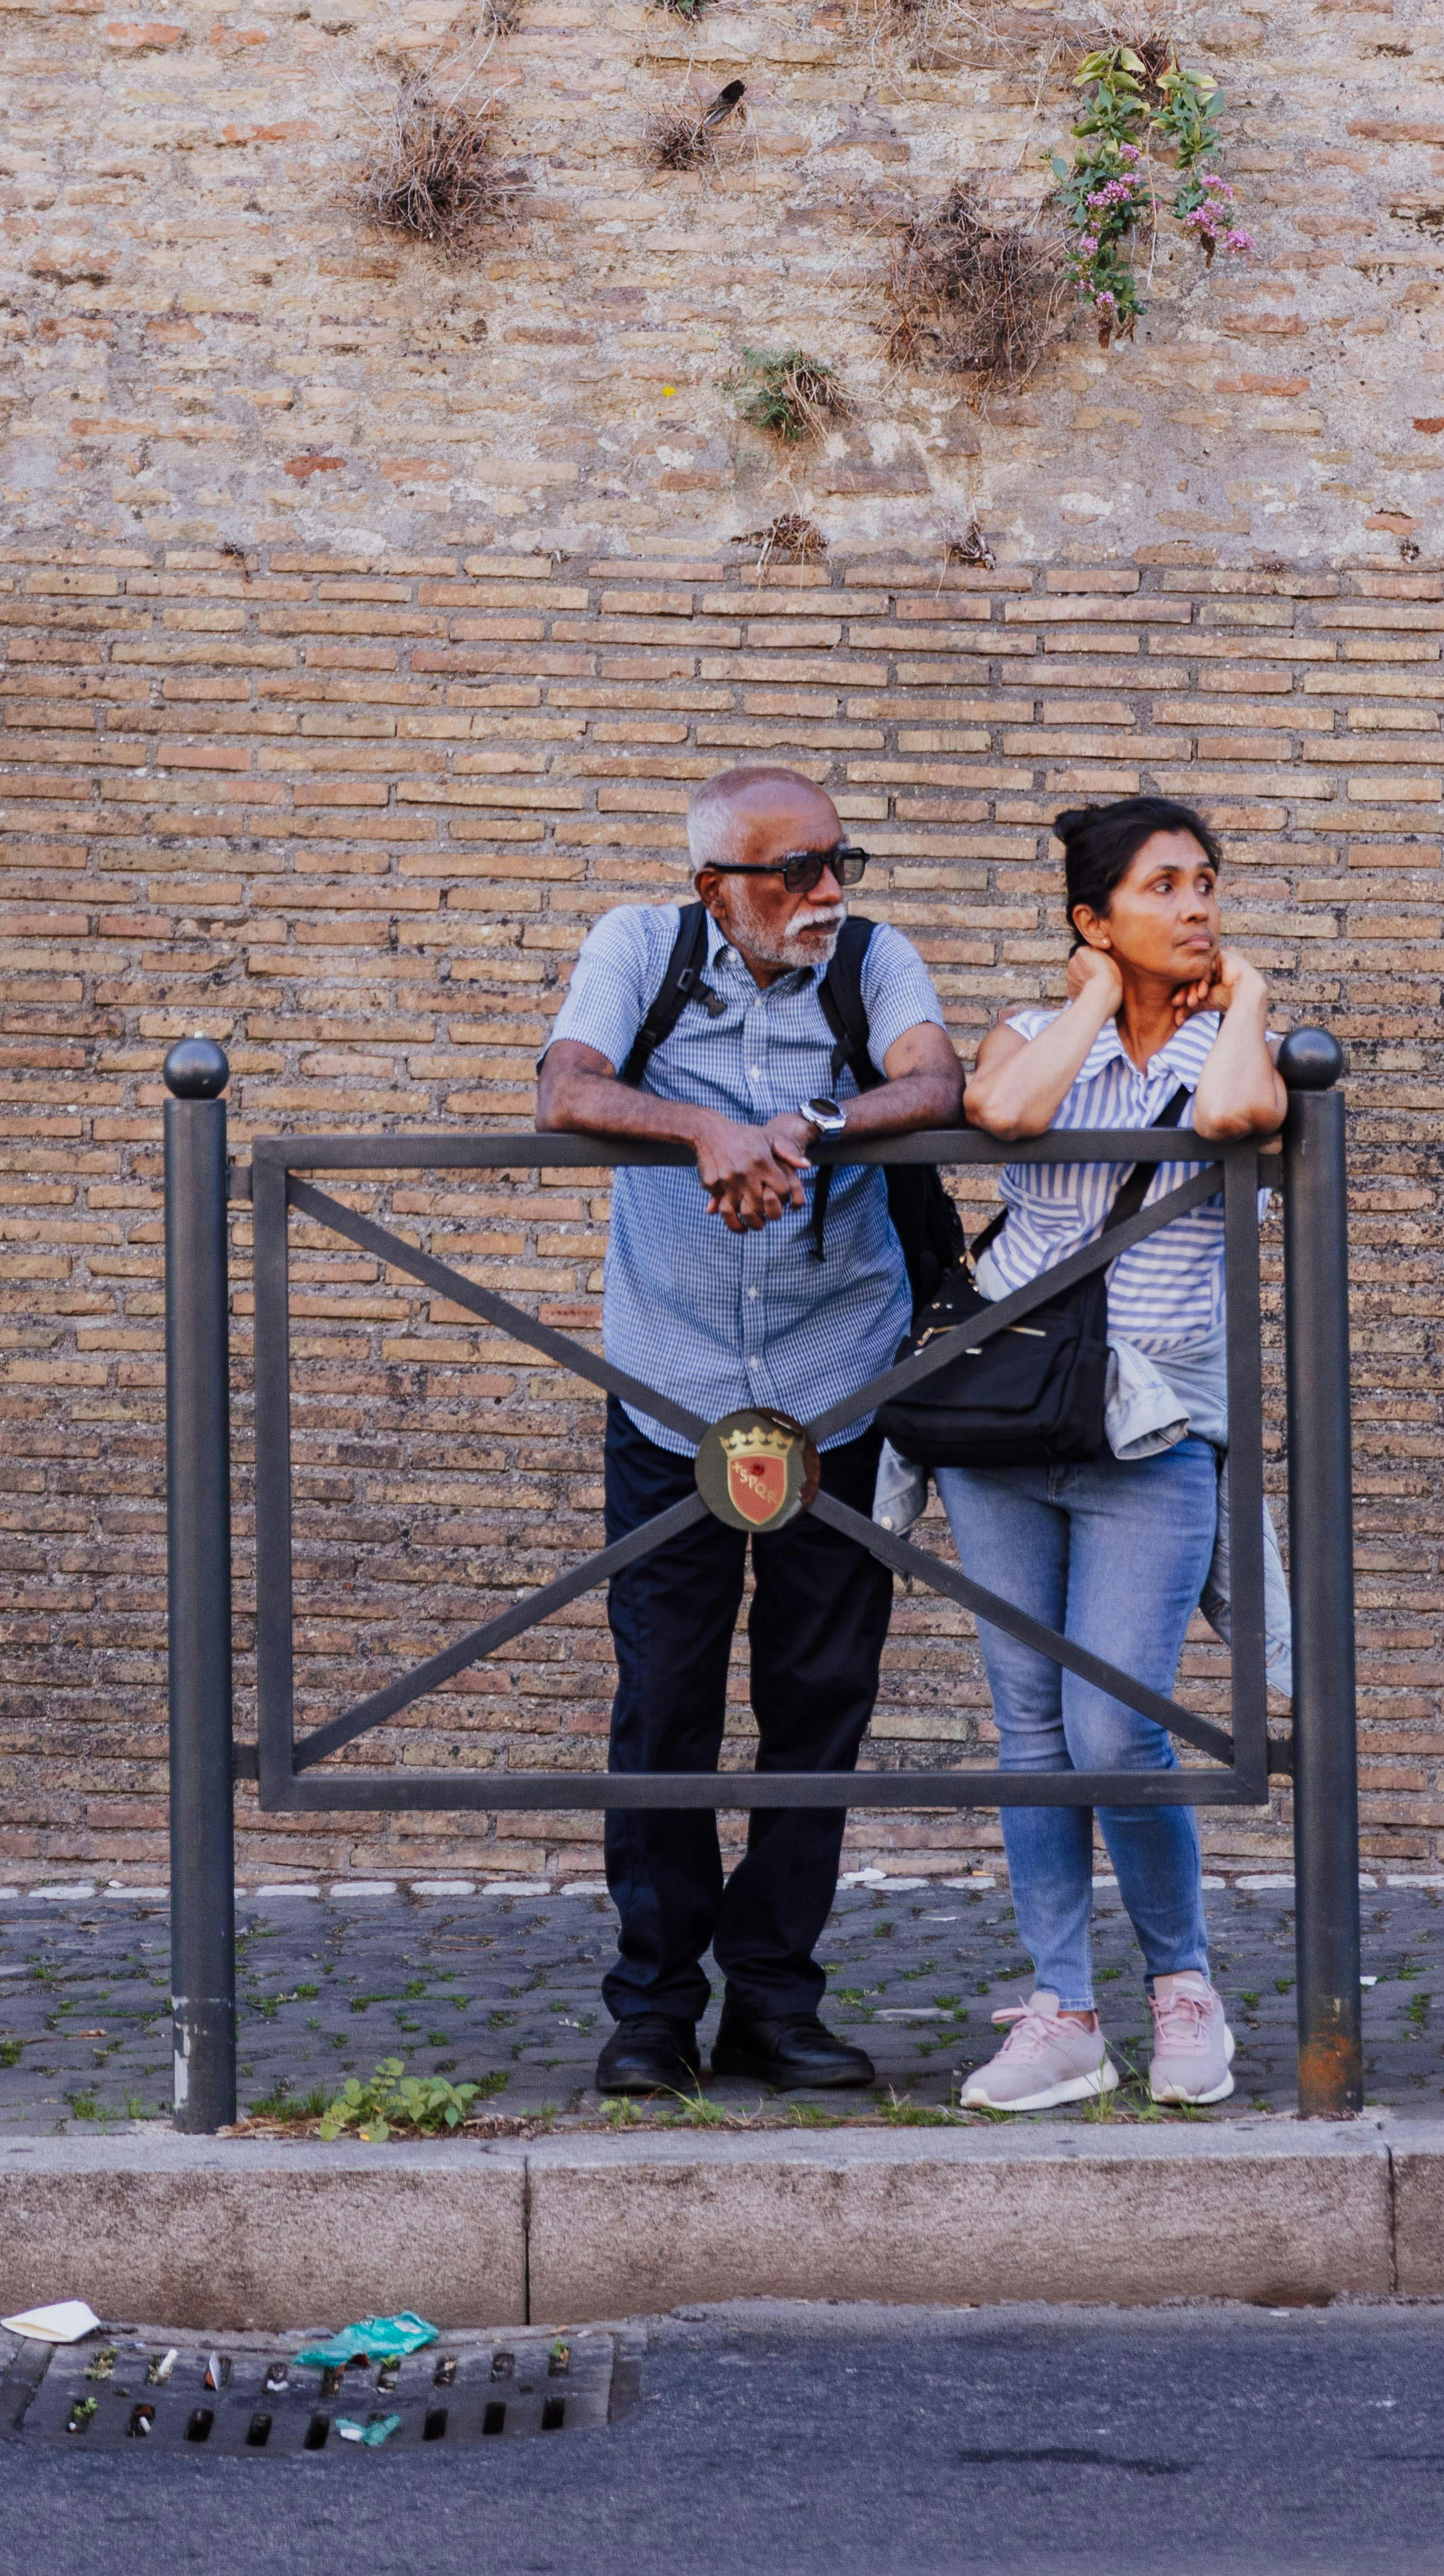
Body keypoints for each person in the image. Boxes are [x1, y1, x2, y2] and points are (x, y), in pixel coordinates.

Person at [537, 762, 965, 2098]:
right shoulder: (637, 943)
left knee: (816, 1703)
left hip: (838, 1388)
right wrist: (703, 1130)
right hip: (667, 1389)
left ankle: (773, 1998)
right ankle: (652, 2008)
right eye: (793, 872)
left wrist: (803, 1123)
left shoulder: (871, 956)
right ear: (715, 884)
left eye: (841, 860)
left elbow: (934, 1082)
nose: (826, 891)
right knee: (661, 1702)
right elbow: (566, 1087)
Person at [941, 788, 1285, 2115]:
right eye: (1160, 886)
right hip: (1004, 1419)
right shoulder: (1038, 1030)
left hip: (1148, 1433)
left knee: (1114, 1726)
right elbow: (1007, 1109)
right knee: (1029, 1732)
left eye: (1204, 881)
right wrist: (1090, 1000)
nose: (1194, 904)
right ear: (1092, 918)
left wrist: (1241, 992)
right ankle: (1061, 2011)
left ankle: (1180, 1987)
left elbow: (1236, 1118)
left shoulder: (1232, 1037)